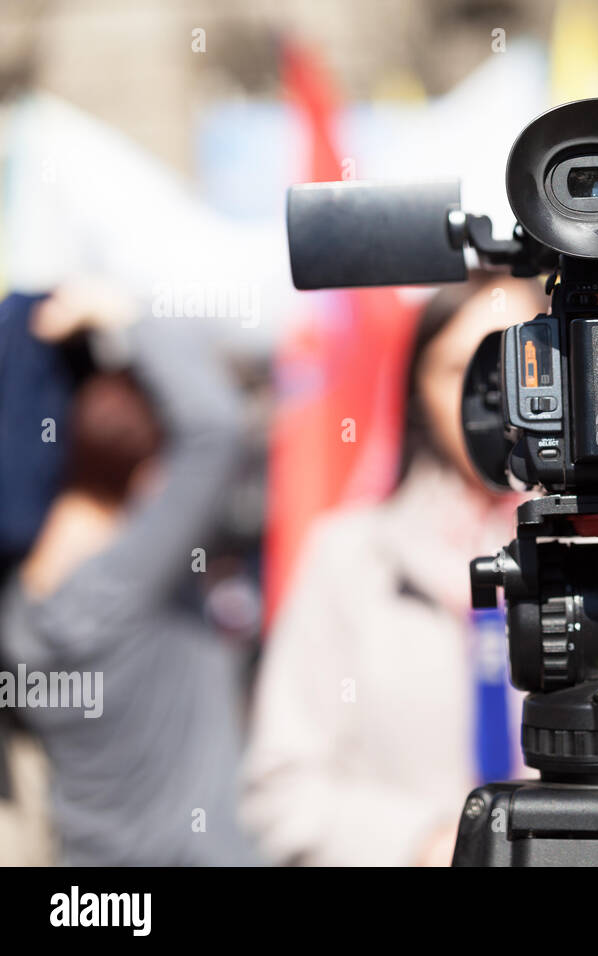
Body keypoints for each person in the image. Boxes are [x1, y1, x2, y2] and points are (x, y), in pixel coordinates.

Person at [241, 275, 544, 866]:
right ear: (417, 392)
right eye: (461, 370)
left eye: (520, 366)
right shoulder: (349, 557)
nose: (495, 398)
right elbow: (282, 790)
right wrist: (427, 847)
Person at [0, 280, 258, 865]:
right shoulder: (129, 579)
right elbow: (215, 429)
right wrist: (124, 315)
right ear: (145, 472)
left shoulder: (16, 608)